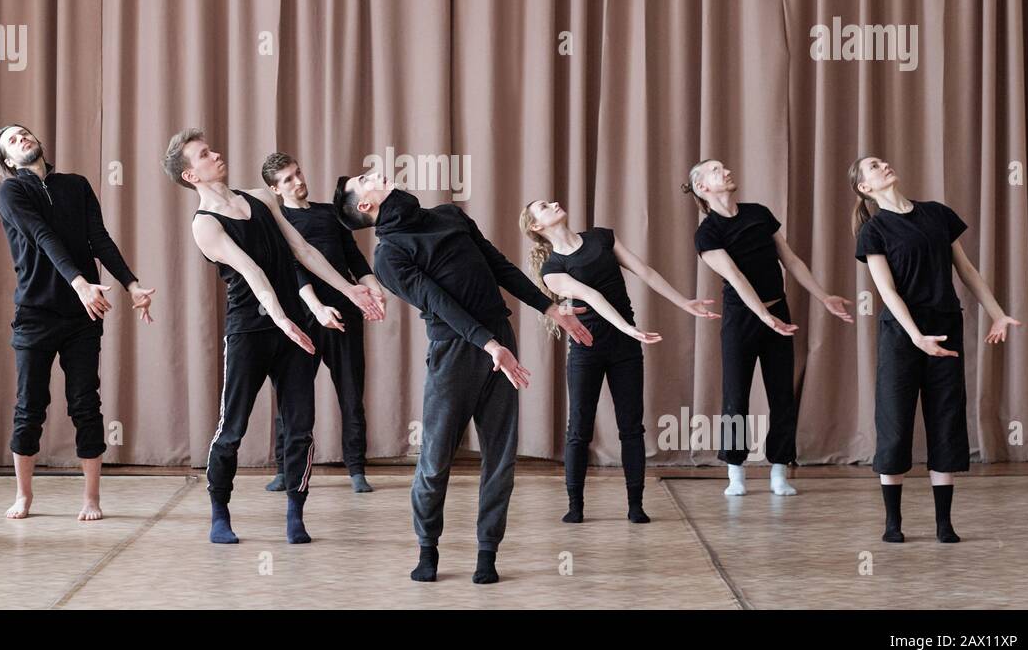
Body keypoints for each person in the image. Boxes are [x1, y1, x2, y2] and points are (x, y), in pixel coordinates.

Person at [335, 170, 591, 584]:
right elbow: (439, 303)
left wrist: (548, 308)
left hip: (499, 342)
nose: (377, 173)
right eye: (367, 179)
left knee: (500, 458)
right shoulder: (389, 255)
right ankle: (427, 548)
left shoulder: (449, 215)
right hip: (457, 352)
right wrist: (489, 345)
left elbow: (498, 266)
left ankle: (487, 552)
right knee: (435, 461)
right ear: (365, 206)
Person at [162, 130, 384, 544]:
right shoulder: (205, 226)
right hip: (251, 331)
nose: (217, 154)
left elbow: (302, 250)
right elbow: (254, 273)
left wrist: (349, 288)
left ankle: (296, 516)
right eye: (205, 154)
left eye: (212, 147)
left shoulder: (260, 199)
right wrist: (282, 320)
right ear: (191, 175)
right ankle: (219, 513)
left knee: (301, 426)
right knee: (233, 426)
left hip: (293, 328)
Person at [850, 155, 1019, 542]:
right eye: (873, 167)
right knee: (894, 423)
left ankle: (945, 523)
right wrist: (914, 335)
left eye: (883, 161)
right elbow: (887, 291)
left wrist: (997, 314)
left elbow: (967, 271)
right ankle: (893, 523)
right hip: (902, 335)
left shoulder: (937, 214)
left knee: (946, 419)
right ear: (865, 188)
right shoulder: (873, 230)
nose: (884, 166)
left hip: (946, 328)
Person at [0, 124, 154, 522]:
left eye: (24, 133)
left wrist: (131, 284)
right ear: (8, 160)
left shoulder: (75, 185)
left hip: (83, 316)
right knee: (30, 406)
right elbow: (42, 236)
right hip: (35, 314)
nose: (22, 139)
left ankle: (91, 498)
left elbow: (98, 238)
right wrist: (80, 282)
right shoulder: (11, 191)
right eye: (12, 140)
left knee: (86, 404)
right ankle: (24, 495)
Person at [521, 198, 719, 524]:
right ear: (536, 227)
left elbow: (646, 272)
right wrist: (628, 326)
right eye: (544, 206)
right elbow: (594, 298)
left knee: (631, 427)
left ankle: (636, 504)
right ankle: (575, 506)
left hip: (625, 346)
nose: (554, 203)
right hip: (587, 349)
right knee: (578, 429)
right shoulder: (552, 270)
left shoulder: (602, 238)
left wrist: (686, 304)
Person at [684, 159, 853, 496]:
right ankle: (736, 474)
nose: (727, 170)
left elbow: (790, 260)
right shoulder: (707, 233)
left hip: (779, 314)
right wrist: (763, 316)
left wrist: (823, 297)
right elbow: (735, 277)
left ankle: (779, 470)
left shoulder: (759, 213)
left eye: (725, 166)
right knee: (736, 396)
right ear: (703, 188)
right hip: (742, 320)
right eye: (716, 170)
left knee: (782, 395)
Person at [263, 152, 381, 493]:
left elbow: (353, 257)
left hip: (344, 313)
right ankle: (286, 470)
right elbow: (293, 268)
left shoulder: (330, 213)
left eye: (298, 173)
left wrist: (372, 286)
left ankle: (357, 469)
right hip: (302, 317)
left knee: (351, 392)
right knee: (292, 398)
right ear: (275, 188)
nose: (298, 181)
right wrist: (315, 307)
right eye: (287, 179)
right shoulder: (277, 220)